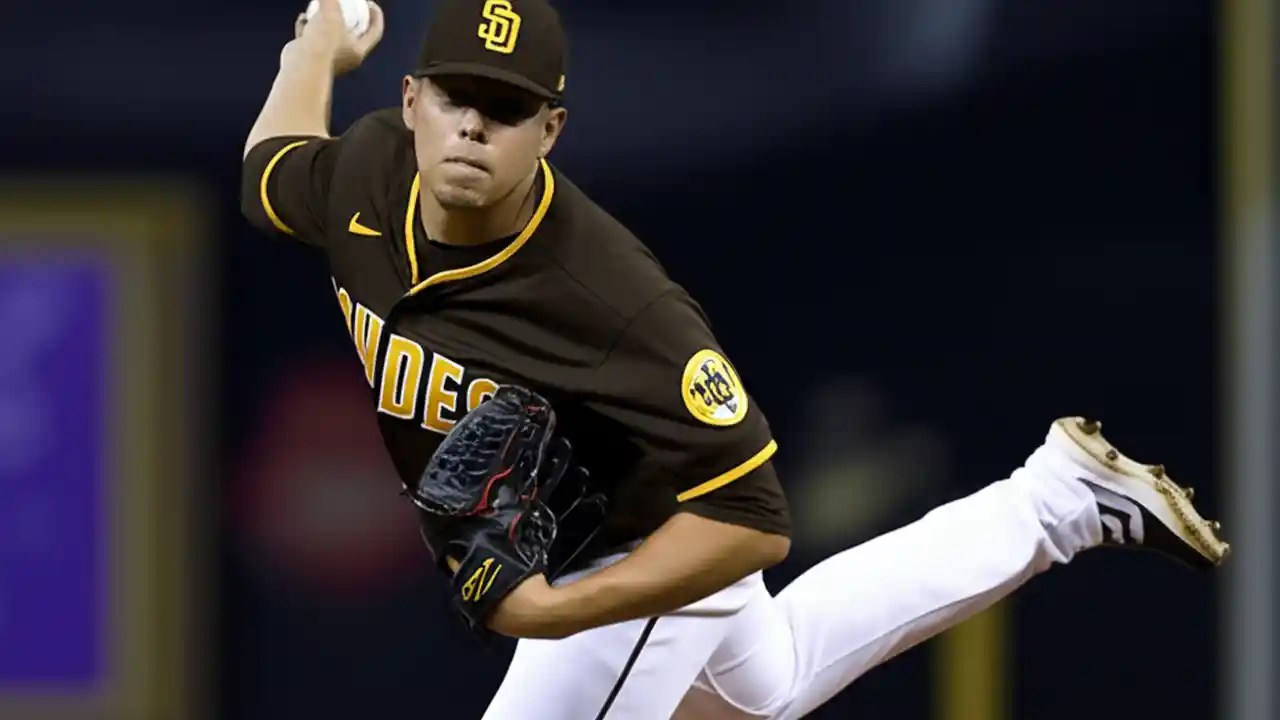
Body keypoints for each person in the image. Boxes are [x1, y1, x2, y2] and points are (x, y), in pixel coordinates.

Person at [240, 1, 1230, 717]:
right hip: (586, 541)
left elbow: (748, 521)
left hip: (648, 548)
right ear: (411, 101)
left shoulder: (609, 296)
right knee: (774, 679)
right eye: (456, 96)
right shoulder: (364, 175)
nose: (471, 126)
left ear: (548, 132)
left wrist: (559, 607)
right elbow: (270, 170)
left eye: (504, 109)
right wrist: (318, 46)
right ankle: (1054, 500)